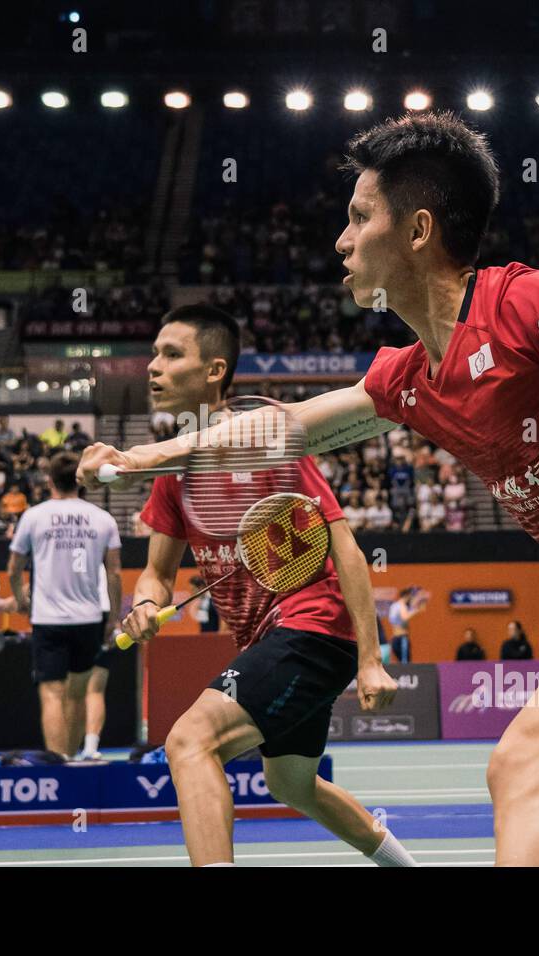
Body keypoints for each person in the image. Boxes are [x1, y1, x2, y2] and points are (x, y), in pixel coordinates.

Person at [79, 112, 539, 867]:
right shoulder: (409, 376)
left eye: (359, 217)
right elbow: (288, 427)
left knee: (527, 768)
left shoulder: (520, 303)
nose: (340, 240)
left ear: (418, 230)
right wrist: (148, 457)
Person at [98, 304, 409, 867]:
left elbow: (346, 547)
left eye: (172, 355)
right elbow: (159, 572)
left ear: (215, 371)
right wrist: (145, 603)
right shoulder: (175, 471)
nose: (153, 367)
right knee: (292, 784)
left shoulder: (267, 441)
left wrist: (372, 657)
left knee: (190, 742)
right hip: (269, 640)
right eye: (154, 354)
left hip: (314, 627)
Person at [8, 452, 121, 758]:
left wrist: (20, 599)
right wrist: (112, 617)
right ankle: (71, 763)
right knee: (77, 695)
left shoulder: (33, 516)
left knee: (52, 695)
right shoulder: (103, 519)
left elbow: (13, 569)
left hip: (49, 619)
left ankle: (59, 769)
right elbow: (114, 573)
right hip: (88, 618)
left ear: (49, 481)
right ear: (81, 481)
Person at [76, 565, 119, 760]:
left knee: (68, 689)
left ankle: (63, 752)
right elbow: (114, 576)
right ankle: (90, 749)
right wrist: (114, 619)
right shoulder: (102, 539)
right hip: (102, 612)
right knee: (94, 689)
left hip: (70, 615)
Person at [387, 587, 428, 662]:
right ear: (407, 596)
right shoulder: (401, 605)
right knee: (405, 662)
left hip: (395, 637)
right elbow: (405, 617)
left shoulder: (394, 606)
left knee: (401, 661)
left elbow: (411, 605)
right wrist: (417, 610)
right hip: (402, 638)